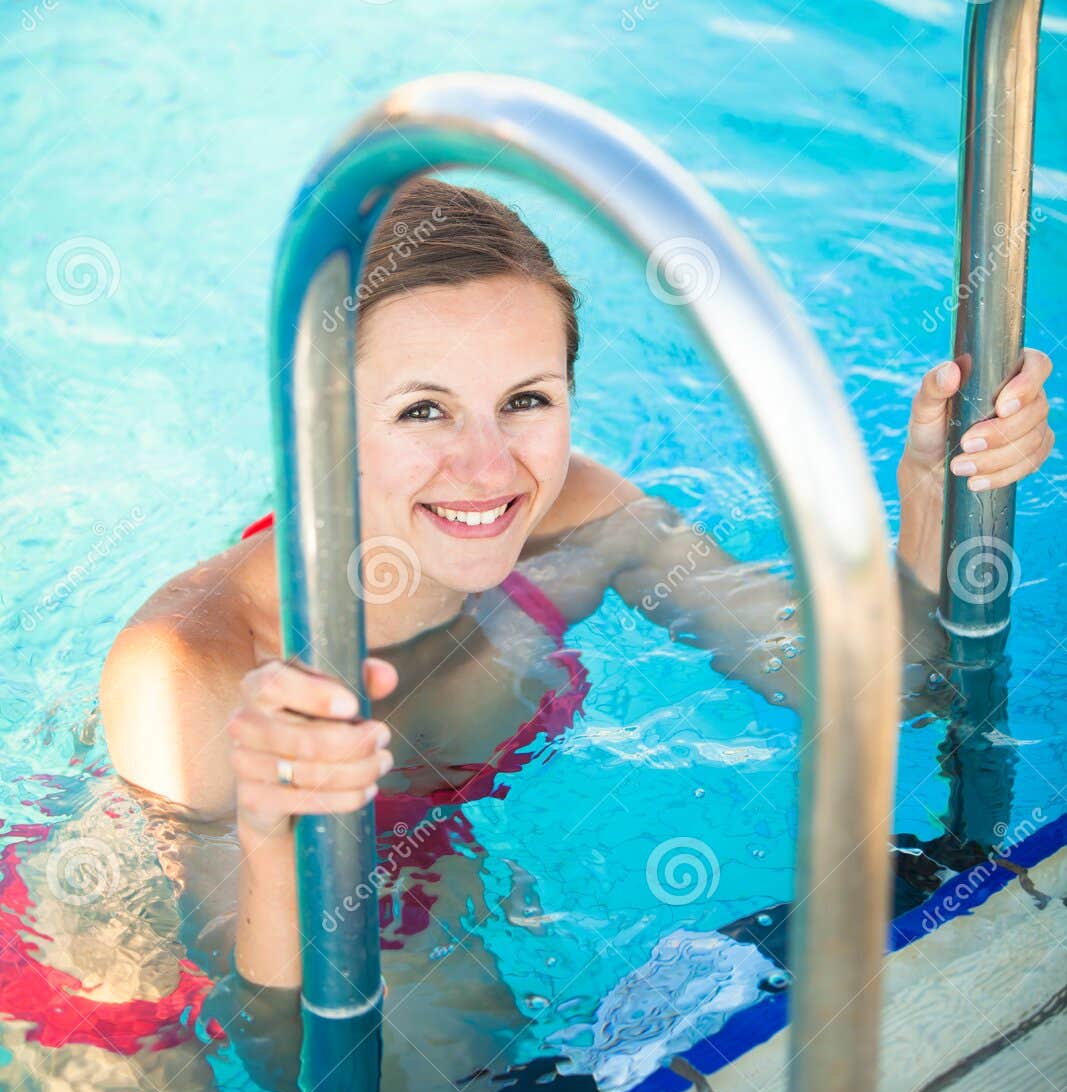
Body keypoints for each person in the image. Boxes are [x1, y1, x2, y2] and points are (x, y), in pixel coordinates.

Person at [99, 179, 1054, 1006]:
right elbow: (273, 1044)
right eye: (423, 410)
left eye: (526, 400)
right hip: (131, 964)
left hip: (420, 858)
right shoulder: (193, 669)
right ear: (319, 424)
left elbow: (879, 690)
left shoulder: (583, 521)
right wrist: (279, 842)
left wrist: (934, 497)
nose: (488, 468)